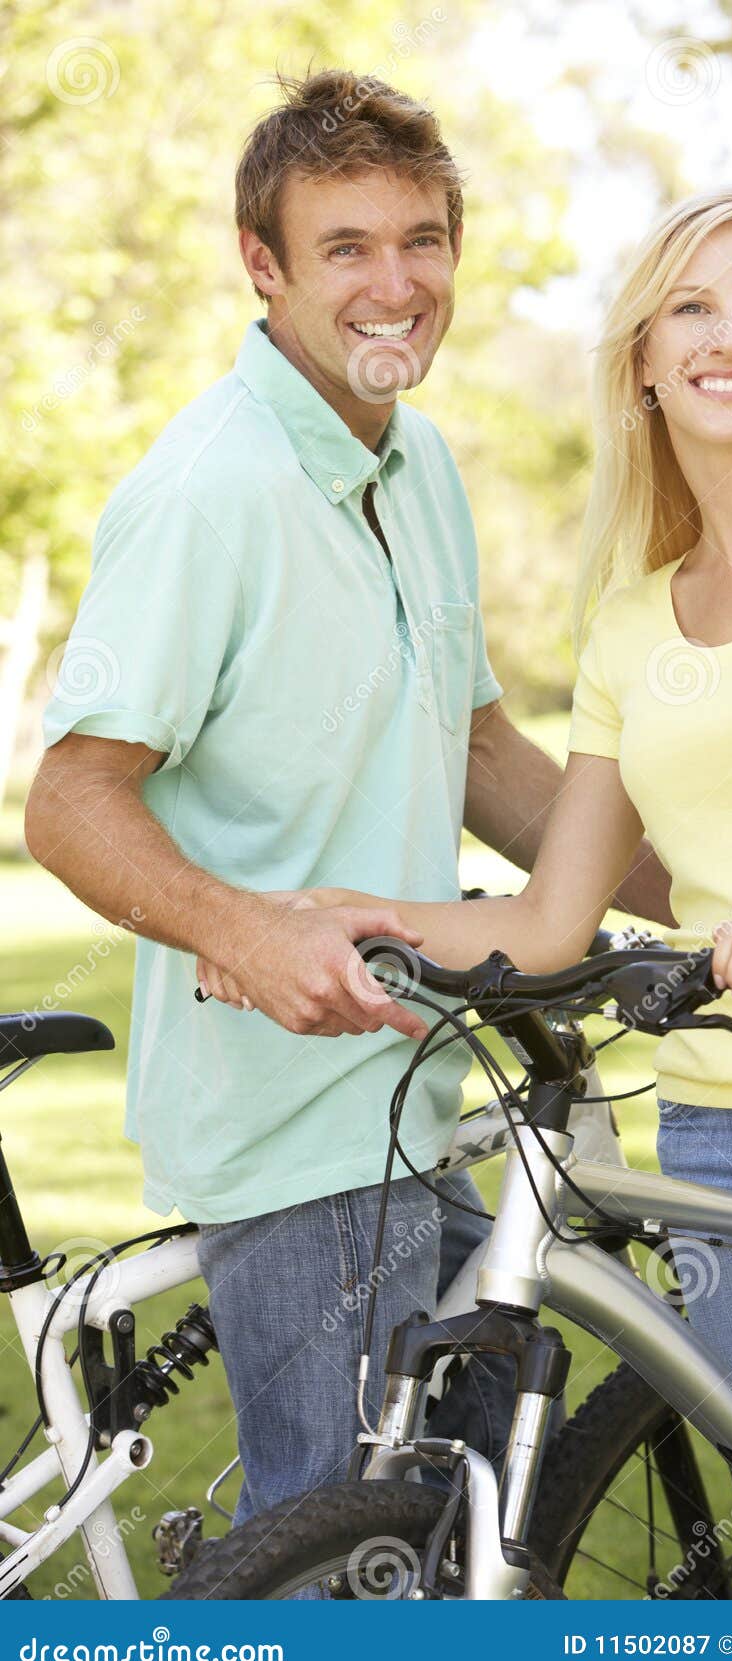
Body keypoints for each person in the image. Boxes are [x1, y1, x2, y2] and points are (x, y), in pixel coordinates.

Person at [207, 187, 732, 1599]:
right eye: (693, 308)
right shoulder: (628, 615)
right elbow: (552, 917)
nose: (730, 337)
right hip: (725, 1140)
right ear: (648, 359)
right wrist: (321, 918)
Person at [23, 69, 672, 1527]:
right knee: (352, 1574)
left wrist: (702, 898)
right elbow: (69, 799)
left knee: (464, 1546)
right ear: (262, 266)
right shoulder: (212, 489)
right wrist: (242, 929)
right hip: (302, 1135)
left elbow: (486, 752)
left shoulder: (418, 460)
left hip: (428, 1091)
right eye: (347, 249)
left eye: (422, 239)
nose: (397, 284)